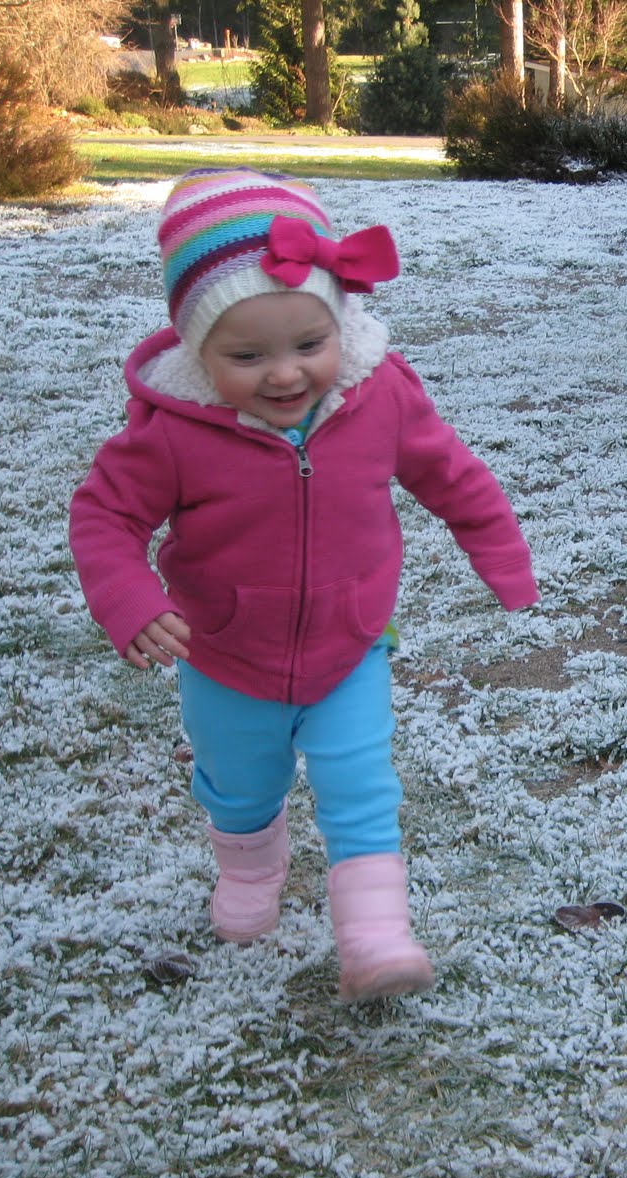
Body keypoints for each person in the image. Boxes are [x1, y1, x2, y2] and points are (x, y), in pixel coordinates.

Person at [69, 168, 539, 1002]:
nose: (284, 375)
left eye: (308, 345)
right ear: (195, 350)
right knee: (240, 786)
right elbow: (104, 517)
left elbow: (452, 476)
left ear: (340, 323)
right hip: (224, 654)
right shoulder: (174, 434)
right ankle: (251, 869)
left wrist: (502, 557)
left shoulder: (379, 394)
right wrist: (129, 598)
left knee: (361, 784)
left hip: (348, 642)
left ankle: (375, 936)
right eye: (247, 356)